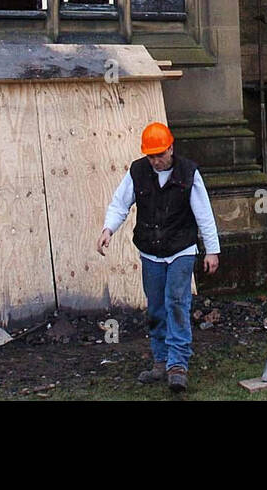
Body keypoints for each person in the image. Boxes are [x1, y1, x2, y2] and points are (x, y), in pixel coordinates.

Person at [96, 121, 220, 393]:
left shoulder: (189, 173)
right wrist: (108, 229)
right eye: (151, 156)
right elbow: (120, 203)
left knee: (177, 302)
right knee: (155, 307)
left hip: (182, 250)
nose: (155, 161)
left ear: (171, 148)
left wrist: (212, 250)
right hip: (150, 251)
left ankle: (178, 364)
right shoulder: (137, 172)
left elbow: (204, 214)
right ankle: (160, 360)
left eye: (160, 155)